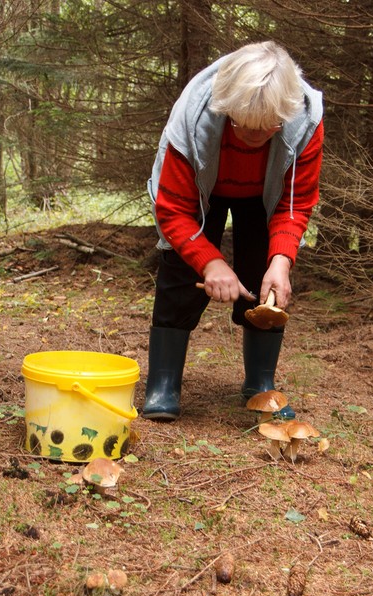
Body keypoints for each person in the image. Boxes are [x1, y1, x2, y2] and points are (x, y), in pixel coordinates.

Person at [142, 41, 324, 422]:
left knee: (265, 277)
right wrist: (210, 264)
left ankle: (260, 382)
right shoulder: (193, 118)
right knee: (179, 273)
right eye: (243, 125)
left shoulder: (303, 120)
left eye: (267, 128)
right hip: (200, 192)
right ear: (226, 109)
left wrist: (281, 261)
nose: (254, 136)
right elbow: (173, 211)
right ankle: (163, 382)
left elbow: (296, 202)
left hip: (264, 195)